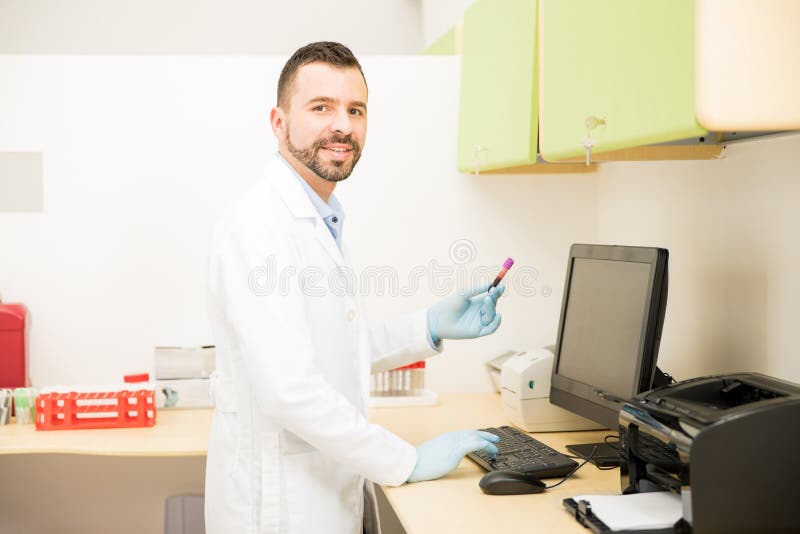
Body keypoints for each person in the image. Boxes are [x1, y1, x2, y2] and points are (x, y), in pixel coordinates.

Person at [205, 41, 506, 534]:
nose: (342, 125)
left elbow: (331, 351)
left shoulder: (320, 217)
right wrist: (406, 460)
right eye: (321, 107)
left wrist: (427, 326)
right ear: (279, 123)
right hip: (282, 511)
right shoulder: (257, 227)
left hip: (325, 489)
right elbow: (291, 391)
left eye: (355, 109)